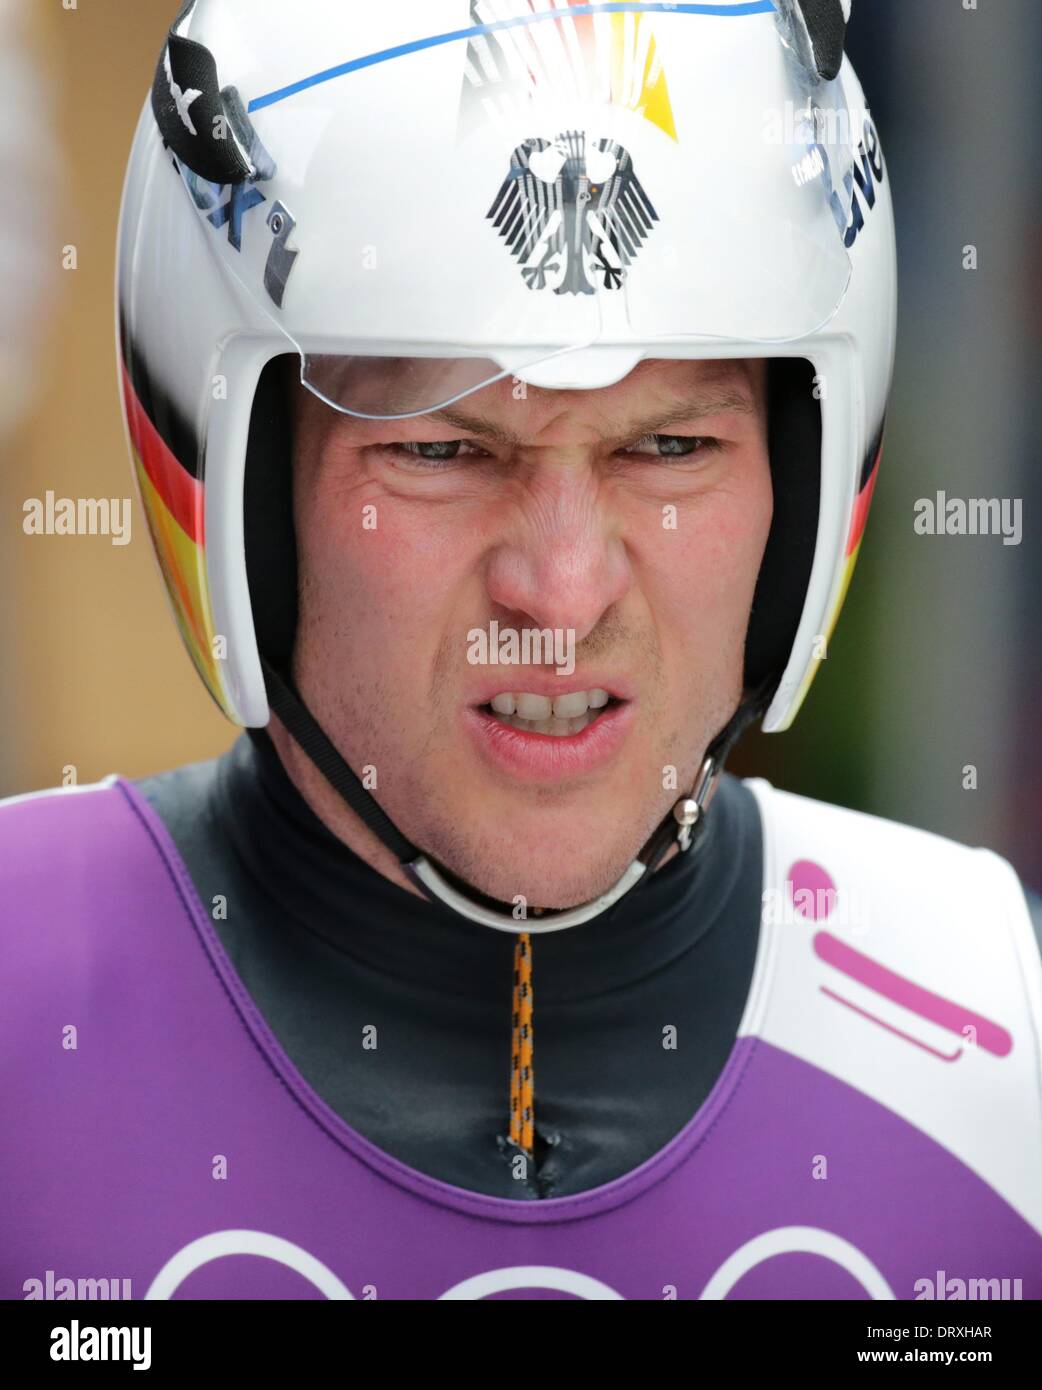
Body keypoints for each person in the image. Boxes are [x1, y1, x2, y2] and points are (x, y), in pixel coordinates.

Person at [4, 0, 1041, 1302]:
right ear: (245, 493)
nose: (559, 588)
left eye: (668, 447)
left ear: (803, 477)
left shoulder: (1003, 1043)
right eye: (439, 450)